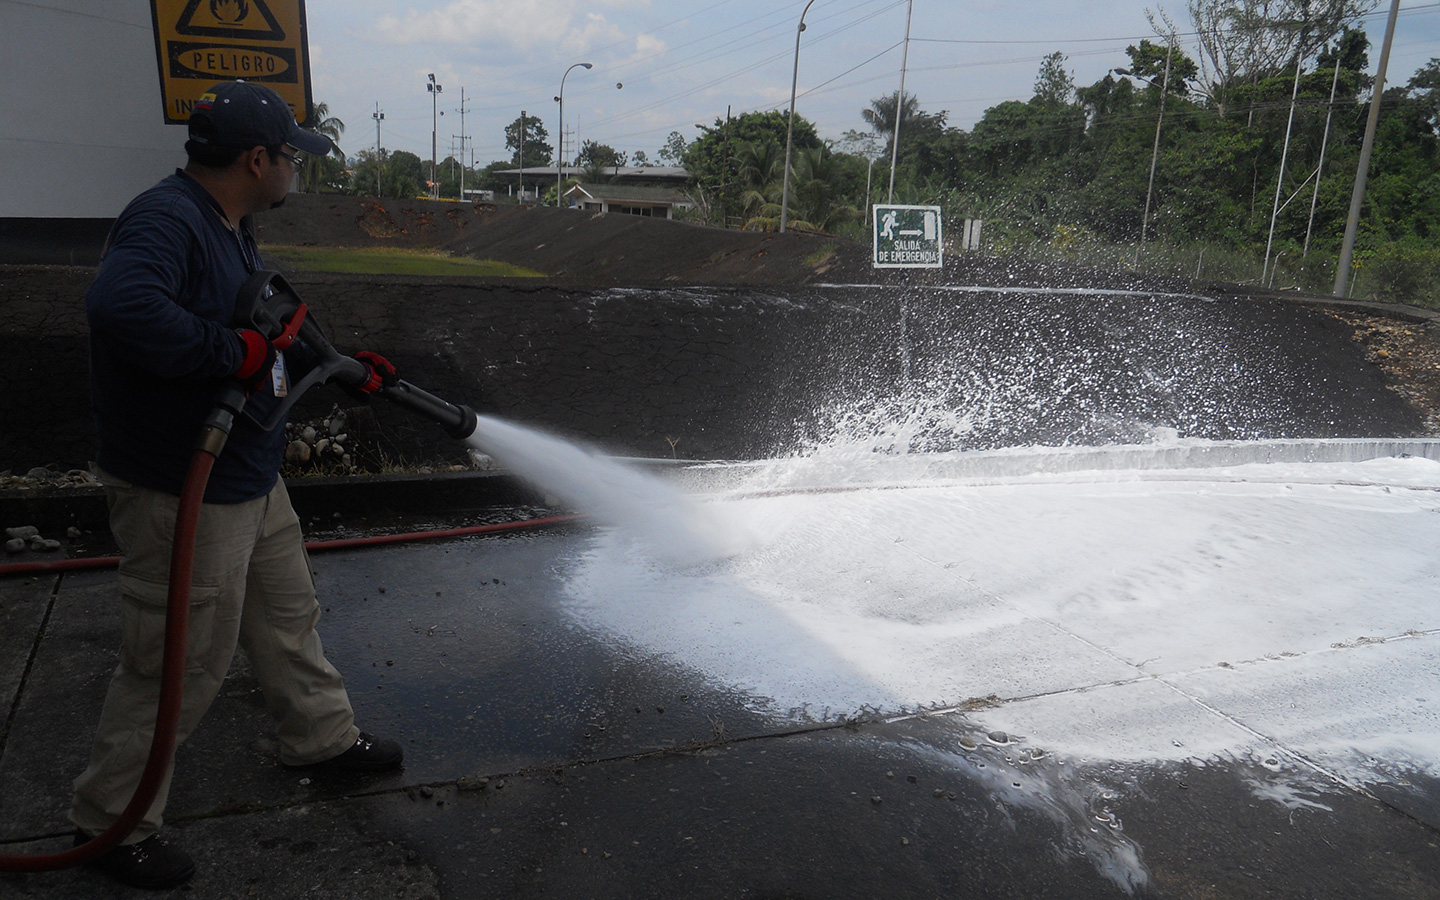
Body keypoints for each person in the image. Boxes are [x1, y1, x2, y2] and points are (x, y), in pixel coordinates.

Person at [70, 80, 403, 891]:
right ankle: (114, 821)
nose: (297, 169)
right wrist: (235, 358)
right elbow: (120, 306)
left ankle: (319, 737)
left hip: (247, 475)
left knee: (288, 618)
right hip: (181, 486)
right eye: (293, 156)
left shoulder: (232, 225)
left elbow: (265, 322)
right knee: (178, 660)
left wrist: (345, 368)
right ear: (257, 160)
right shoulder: (168, 218)